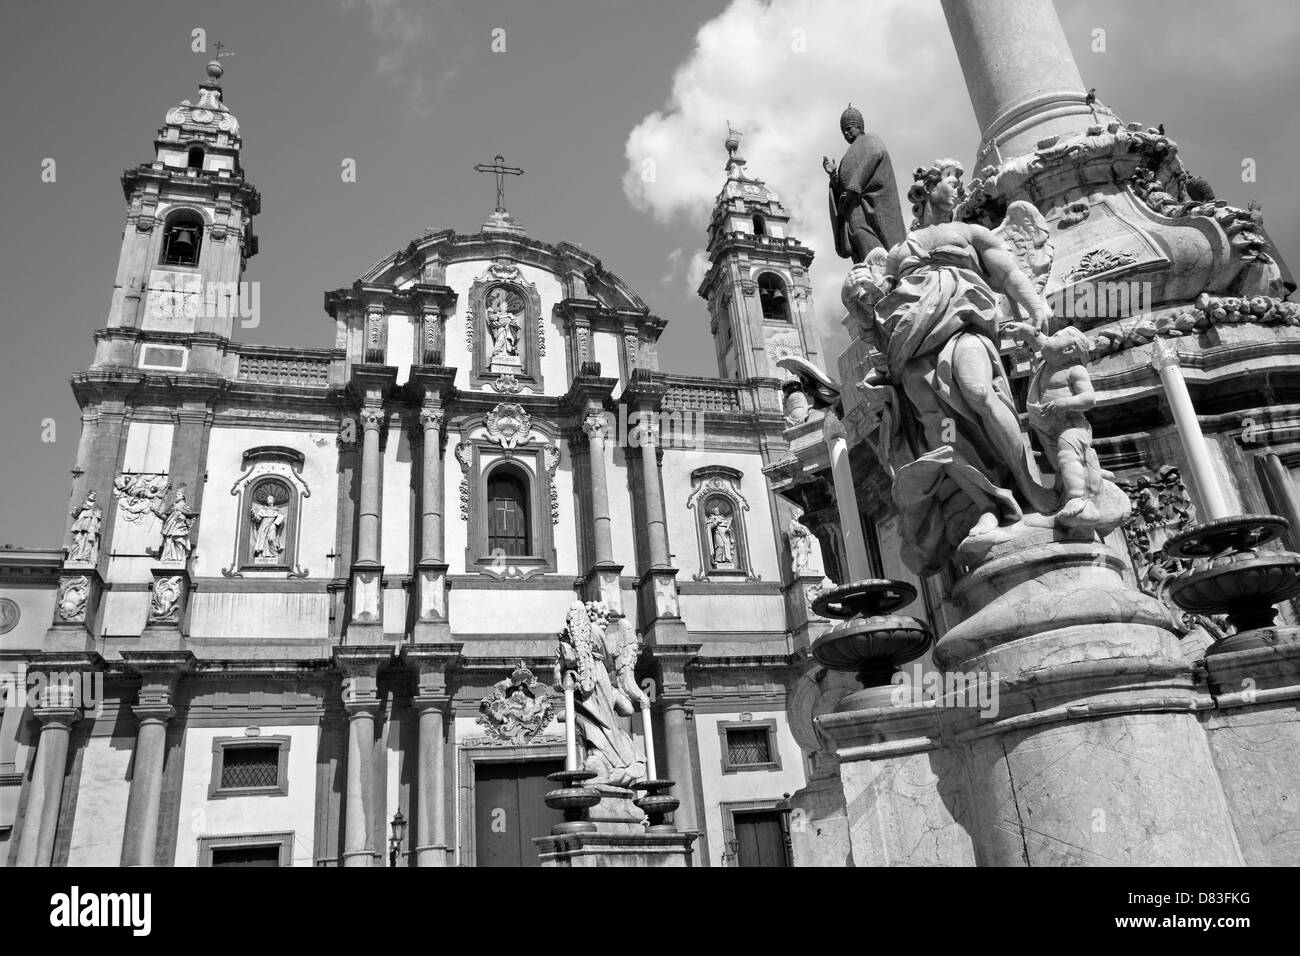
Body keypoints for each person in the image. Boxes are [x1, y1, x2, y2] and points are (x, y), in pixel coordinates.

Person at [843, 159, 1057, 574]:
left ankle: (1028, 484)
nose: (959, 190)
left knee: (978, 391)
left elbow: (1009, 271)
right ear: (924, 192)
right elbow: (877, 307)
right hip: (911, 345)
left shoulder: (971, 233)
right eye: (951, 183)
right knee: (941, 430)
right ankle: (990, 502)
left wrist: (1036, 305)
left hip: (964, 324)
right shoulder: (898, 253)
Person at [555, 602, 647, 788]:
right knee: (601, 718)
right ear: (592, 619)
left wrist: (563, 670)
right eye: (601, 618)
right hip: (595, 675)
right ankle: (610, 757)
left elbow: (562, 668)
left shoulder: (578, 638)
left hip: (592, 676)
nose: (604, 623)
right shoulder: (595, 631)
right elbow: (607, 658)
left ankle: (605, 756)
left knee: (600, 717)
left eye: (605, 620)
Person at [824, 104, 905, 262]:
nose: (846, 134)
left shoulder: (871, 139)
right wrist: (834, 176)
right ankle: (870, 268)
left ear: (859, 126)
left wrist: (854, 187)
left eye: (849, 129)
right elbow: (842, 187)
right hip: (851, 205)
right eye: (844, 132)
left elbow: (875, 155)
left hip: (867, 202)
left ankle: (880, 268)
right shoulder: (845, 156)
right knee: (855, 234)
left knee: (860, 230)